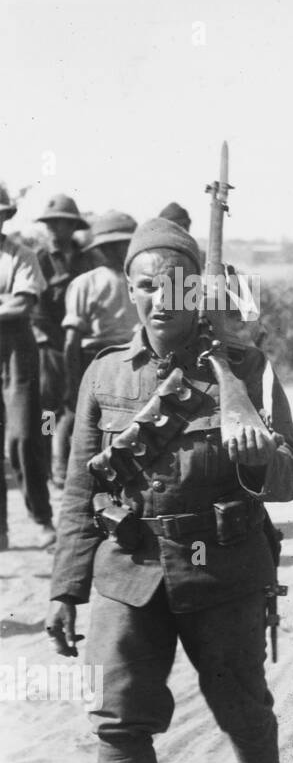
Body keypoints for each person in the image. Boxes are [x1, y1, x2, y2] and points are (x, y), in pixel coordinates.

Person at [45, 217, 293, 763]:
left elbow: (291, 476)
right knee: (120, 716)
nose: (160, 300)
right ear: (130, 289)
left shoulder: (244, 369)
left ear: (199, 290)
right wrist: (66, 590)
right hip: (129, 568)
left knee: (240, 701)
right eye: (145, 285)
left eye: (175, 285)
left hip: (222, 567)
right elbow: (79, 489)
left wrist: (255, 453)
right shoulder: (103, 373)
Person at [0, 185, 55, 549]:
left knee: (22, 437)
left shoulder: (21, 255)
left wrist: (9, 302)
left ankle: (41, 517)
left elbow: (21, 306)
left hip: (16, 352)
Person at [34, 194, 93, 487]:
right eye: (51, 224)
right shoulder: (39, 260)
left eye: (62, 224)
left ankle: (72, 465)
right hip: (50, 345)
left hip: (83, 345)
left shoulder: (88, 259)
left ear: (73, 227)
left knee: (79, 405)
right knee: (49, 409)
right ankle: (48, 464)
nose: (56, 229)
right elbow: (36, 308)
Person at [62, 212, 139, 412]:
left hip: (136, 360)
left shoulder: (142, 282)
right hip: (96, 359)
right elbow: (71, 341)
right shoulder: (84, 283)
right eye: (114, 245)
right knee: (57, 412)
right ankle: (49, 436)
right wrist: (72, 384)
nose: (119, 250)